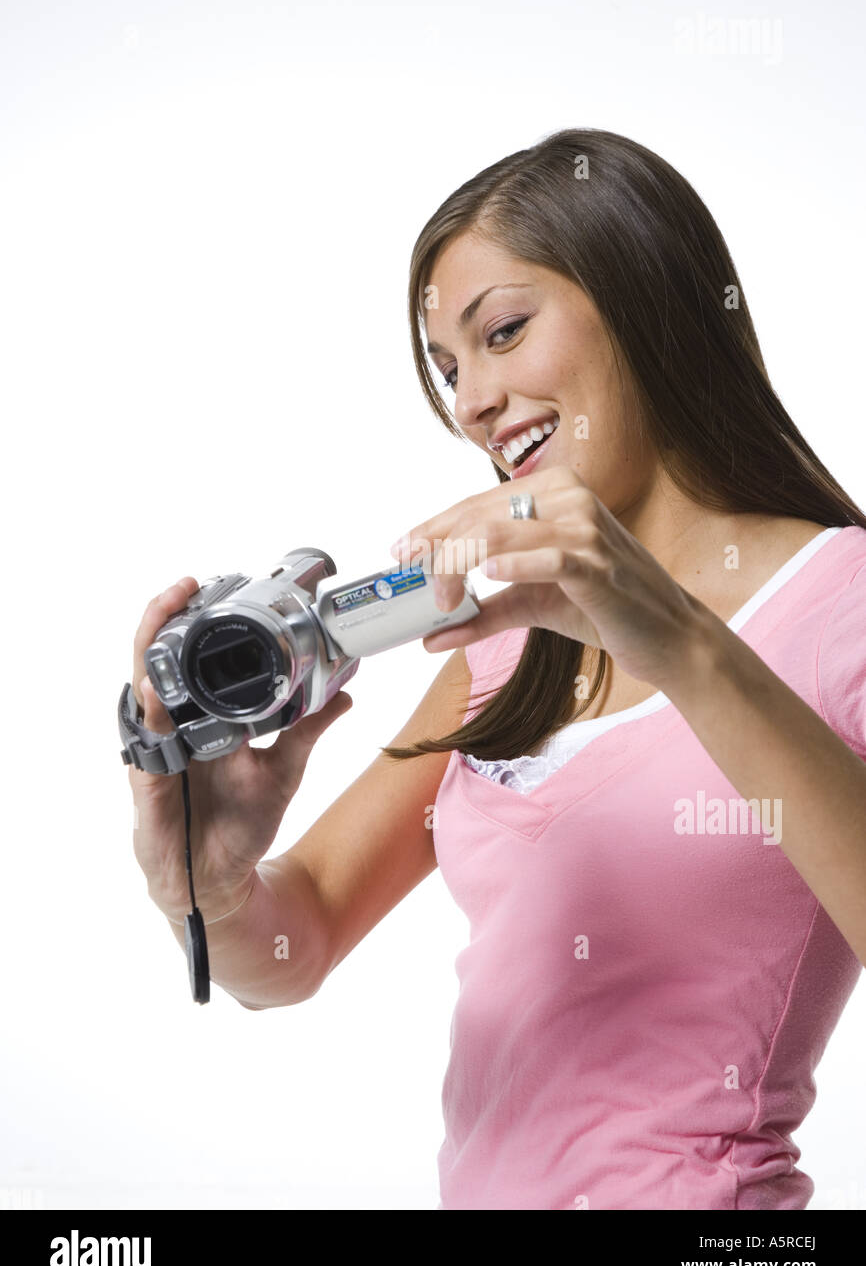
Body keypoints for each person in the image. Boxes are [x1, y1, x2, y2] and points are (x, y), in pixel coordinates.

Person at [128, 127, 866, 1210]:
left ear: (645, 298)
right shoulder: (511, 640)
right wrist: (208, 886)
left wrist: (672, 635)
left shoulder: (838, 600)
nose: (468, 400)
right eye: (448, 368)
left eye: (502, 332)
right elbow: (295, 944)